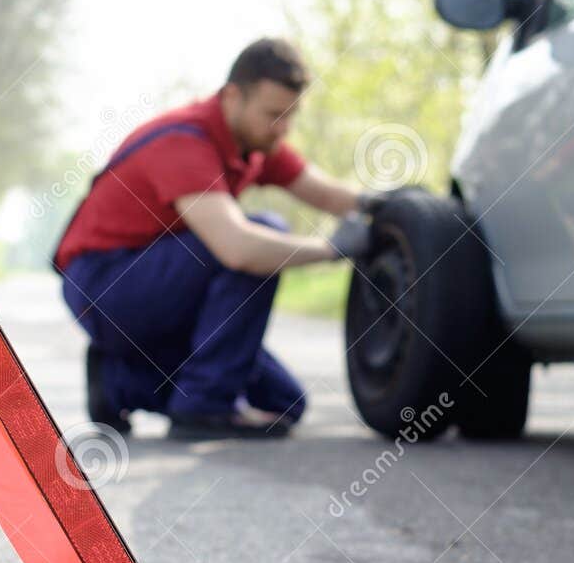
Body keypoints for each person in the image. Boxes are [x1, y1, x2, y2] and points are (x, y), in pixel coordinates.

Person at [54, 38, 374, 440]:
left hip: (158, 284)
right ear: (233, 96)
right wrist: (330, 250)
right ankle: (202, 407)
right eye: (274, 114)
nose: (284, 128)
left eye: (291, 116)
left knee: (283, 403)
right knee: (264, 235)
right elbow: (237, 249)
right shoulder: (184, 141)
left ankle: (118, 379)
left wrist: (392, 206)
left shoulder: (255, 141)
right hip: (106, 284)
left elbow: (329, 195)